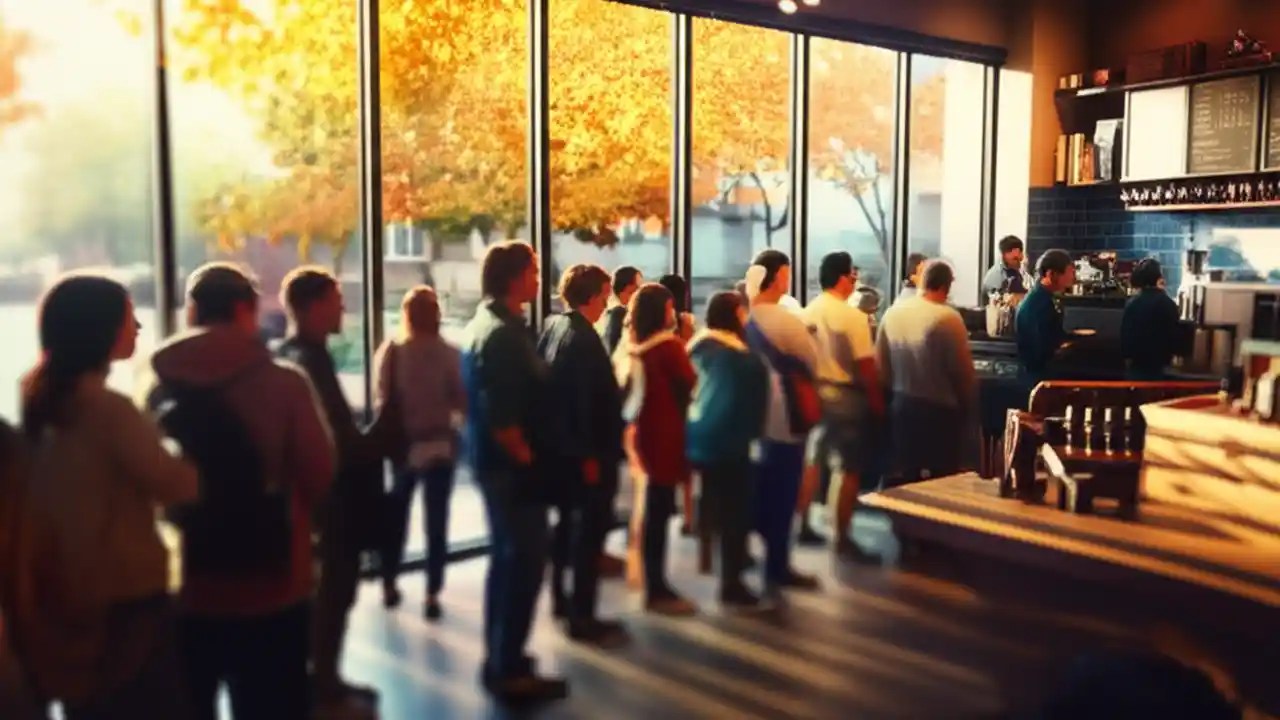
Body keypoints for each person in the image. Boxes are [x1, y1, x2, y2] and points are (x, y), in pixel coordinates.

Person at [144, 263, 335, 720]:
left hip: (189, 584)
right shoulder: (284, 383)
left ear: (192, 313)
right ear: (245, 310)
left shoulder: (157, 386)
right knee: (273, 703)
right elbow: (319, 472)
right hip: (275, 580)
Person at [7, 275, 197, 719]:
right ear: (104, 330)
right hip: (128, 597)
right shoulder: (109, 410)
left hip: (70, 594)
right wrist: (176, 447)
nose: (138, 329)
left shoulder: (39, 401)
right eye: (130, 318)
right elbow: (178, 484)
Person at [462, 241, 567, 703]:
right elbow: (503, 416)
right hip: (512, 471)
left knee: (508, 564)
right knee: (523, 563)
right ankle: (508, 669)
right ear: (514, 277)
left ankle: (504, 656)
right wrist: (528, 460)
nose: (539, 278)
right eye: (533, 270)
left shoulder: (488, 324)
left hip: (495, 467)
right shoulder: (503, 335)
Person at [275, 267, 380, 709]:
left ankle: (324, 679)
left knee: (330, 597)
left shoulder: (295, 356)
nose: (343, 307)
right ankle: (322, 687)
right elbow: (334, 439)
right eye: (335, 298)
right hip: (328, 504)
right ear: (312, 305)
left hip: (320, 503)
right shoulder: (309, 362)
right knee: (331, 596)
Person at [538, 264, 628, 645]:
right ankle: (583, 615)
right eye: (605, 294)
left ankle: (561, 598)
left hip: (559, 451)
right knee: (588, 535)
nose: (607, 302)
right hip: (588, 454)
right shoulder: (585, 341)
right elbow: (589, 404)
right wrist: (592, 456)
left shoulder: (553, 328)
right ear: (593, 297)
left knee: (564, 532)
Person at [377, 286, 466, 621]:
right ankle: (432, 592)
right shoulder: (451, 354)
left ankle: (389, 581)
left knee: (396, 519)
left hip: (405, 447)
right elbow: (462, 400)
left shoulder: (393, 352)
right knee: (437, 522)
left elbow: (383, 400)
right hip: (440, 443)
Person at [616, 282, 698, 615]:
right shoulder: (669, 347)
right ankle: (657, 587)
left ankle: (651, 580)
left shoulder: (634, 346)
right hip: (665, 435)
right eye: (670, 307)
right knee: (660, 511)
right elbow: (691, 383)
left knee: (651, 509)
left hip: (642, 433)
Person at [743, 249, 821, 597]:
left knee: (756, 486)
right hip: (786, 415)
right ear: (777, 278)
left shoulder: (743, 318)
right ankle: (778, 565)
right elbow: (812, 363)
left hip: (749, 419)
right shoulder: (788, 320)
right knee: (784, 491)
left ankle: (745, 552)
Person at [800, 252, 884, 561]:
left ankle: (802, 524)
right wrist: (876, 403)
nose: (855, 281)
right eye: (852, 275)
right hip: (845, 396)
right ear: (841, 278)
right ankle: (841, 535)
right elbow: (865, 366)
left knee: (812, 461)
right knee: (848, 468)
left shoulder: (807, 311)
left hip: (813, 391)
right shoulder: (853, 317)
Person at [687, 291, 769, 607]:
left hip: (697, 439)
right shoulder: (744, 360)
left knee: (713, 506)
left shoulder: (696, 347)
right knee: (736, 512)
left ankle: (715, 561)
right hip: (731, 445)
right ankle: (731, 582)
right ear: (737, 314)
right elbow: (754, 411)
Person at [877, 261, 977, 482]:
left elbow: (882, 369)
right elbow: (963, 374)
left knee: (904, 478)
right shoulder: (947, 318)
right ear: (946, 286)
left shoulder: (892, 313)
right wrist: (969, 409)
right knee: (942, 481)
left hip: (902, 407)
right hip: (940, 413)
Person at [658, 273, 697, 536]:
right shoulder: (685, 321)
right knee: (686, 465)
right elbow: (690, 351)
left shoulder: (654, 323)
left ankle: (666, 506)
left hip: (662, 395)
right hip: (682, 395)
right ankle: (689, 517)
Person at [1015, 249, 1076, 392]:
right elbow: (1041, 348)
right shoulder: (1039, 303)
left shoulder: (1041, 298)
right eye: (1069, 272)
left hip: (1034, 375)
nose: (1073, 277)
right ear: (1050, 274)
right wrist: (1064, 348)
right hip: (1037, 379)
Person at [1121, 258, 1182, 381]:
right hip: (1161, 368)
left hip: (1137, 367)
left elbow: (1126, 339)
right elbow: (1174, 337)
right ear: (1158, 277)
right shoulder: (1168, 304)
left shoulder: (1132, 304)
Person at [601, 266, 642, 357]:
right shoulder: (619, 313)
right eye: (637, 288)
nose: (640, 293)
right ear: (626, 289)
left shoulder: (609, 311)